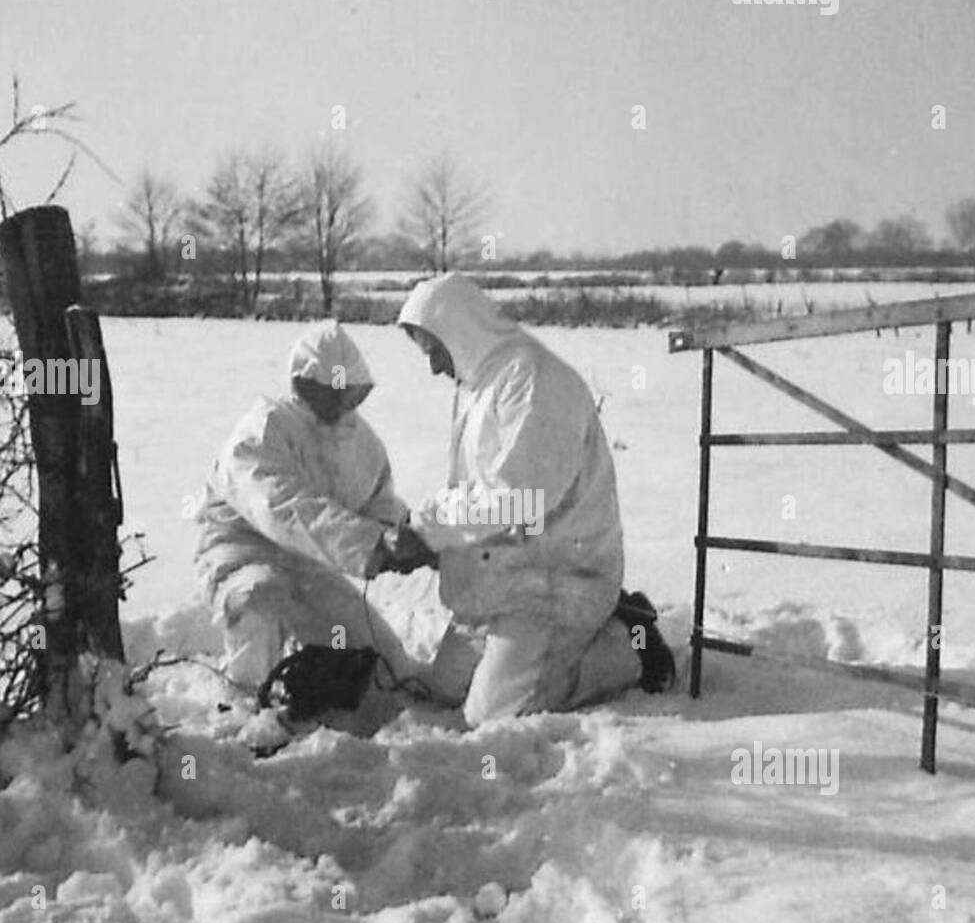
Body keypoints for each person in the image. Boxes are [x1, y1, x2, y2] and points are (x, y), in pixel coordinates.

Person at [392, 272, 675, 726]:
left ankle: (629, 645)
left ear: (458, 331)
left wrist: (430, 533)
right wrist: (424, 529)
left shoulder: (535, 381)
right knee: (442, 689)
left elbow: (522, 500)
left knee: (492, 714)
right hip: (503, 575)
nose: (435, 369)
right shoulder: (482, 380)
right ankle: (539, 653)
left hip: (557, 577)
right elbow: (476, 487)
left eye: (435, 352)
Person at [194, 320, 426, 698]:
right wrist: (371, 544)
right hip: (242, 555)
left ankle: (317, 703)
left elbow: (379, 502)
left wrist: (403, 535)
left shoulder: (361, 442)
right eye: (330, 389)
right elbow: (285, 507)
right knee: (258, 603)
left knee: (382, 659)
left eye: (349, 391)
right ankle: (246, 705)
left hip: (310, 565)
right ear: (303, 383)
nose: (341, 401)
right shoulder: (262, 432)